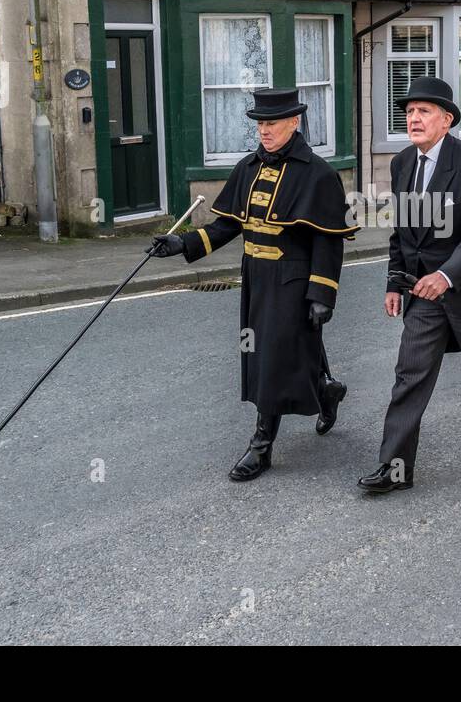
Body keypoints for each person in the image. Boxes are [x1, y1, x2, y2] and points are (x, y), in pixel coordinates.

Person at [152, 88, 359, 482]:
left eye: (272, 123)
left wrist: (321, 293)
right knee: (282, 350)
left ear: (294, 123)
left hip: (295, 280)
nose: (264, 131)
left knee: (273, 359)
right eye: (260, 124)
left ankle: (261, 446)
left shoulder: (318, 173)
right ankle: (326, 389)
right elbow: (228, 224)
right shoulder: (247, 167)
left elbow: (327, 239)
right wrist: (183, 243)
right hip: (257, 279)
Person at [358, 76, 461, 495]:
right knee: (409, 375)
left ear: (446, 120)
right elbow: (403, 232)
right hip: (423, 295)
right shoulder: (401, 165)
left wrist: (447, 274)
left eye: (424, 111)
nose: (414, 118)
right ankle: (395, 468)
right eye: (410, 112)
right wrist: (396, 281)